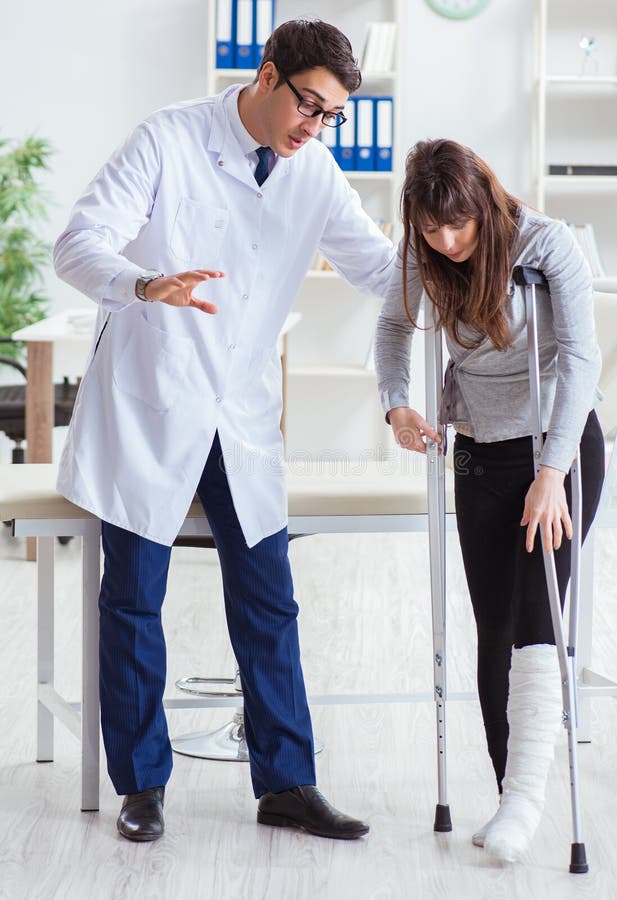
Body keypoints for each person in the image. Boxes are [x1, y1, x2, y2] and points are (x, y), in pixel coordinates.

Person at [53, 19, 398, 843]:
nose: (314, 128)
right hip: (150, 398)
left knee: (268, 599)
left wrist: (484, 251)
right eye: (307, 106)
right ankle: (141, 786)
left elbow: (380, 270)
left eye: (332, 117)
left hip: (237, 412)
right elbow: (77, 244)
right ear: (267, 75)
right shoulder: (168, 139)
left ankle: (286, 782)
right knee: (135, 600)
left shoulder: (313, 170)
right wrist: (144, 282)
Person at [374, 140, 605, 862]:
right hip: (476, 448)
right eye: (431, 230)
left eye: (458, 227)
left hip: (555, 448)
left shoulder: (546, 242)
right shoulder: (421, 248)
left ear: (484, 204)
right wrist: (396, 405)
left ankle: (526, 803)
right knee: (493, 628)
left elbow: (579, 357)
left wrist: (551, 471)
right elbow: (390, 328)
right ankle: (510, 790)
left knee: (538, 616)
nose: (445, 241)